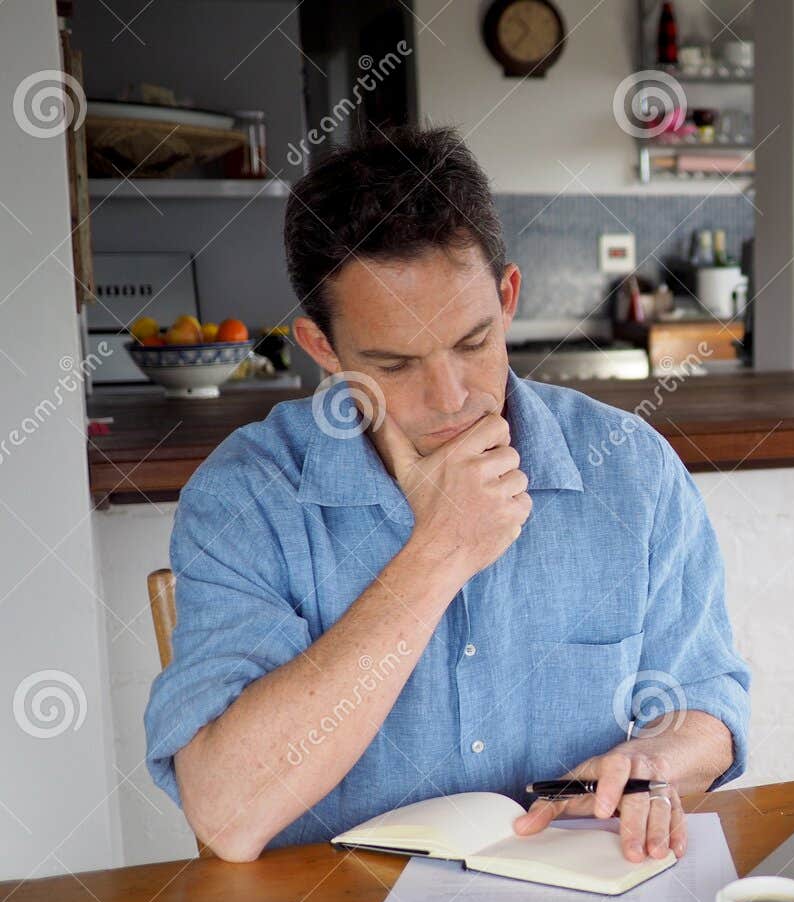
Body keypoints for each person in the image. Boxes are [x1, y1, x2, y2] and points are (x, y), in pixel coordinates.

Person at [144, 126, 750, 863]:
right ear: (323, 348)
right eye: (395, 363)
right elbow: (227, 813)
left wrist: (660, 761)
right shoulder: (247, 497)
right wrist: (438, 552)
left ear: (508, 297)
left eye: (471, 342)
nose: (452, 397)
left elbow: (708, 708)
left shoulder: (633, 469)